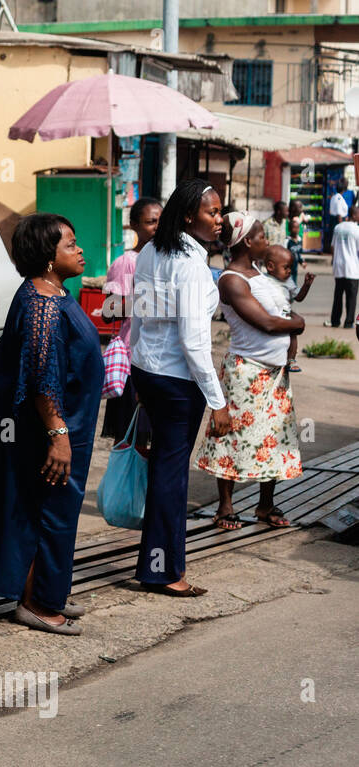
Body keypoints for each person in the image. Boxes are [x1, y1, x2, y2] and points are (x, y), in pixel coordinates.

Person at [0, 215, 103, 635]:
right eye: (70, 244)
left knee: (51, 508)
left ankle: (50, 590)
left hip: (67, 423)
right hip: (52, 428)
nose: (79, 250)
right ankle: (36, 603)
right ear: (48, 257)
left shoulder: (52, 292)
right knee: (47, 511)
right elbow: (43, 377)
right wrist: (58, 435)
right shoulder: (42, 304)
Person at [130, 179, 232, 597]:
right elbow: (194, 341)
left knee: (163, 472)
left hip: (150, 371)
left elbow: (139, 318)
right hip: (175, 380)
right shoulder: (189, 264)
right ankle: (165, 572)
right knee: (171, 477)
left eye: (221, 212)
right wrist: (217, 401)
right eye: (213, 212)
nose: (220, 220)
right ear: (189, 216)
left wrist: (140, 374)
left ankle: (156, 565)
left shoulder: (151, 252)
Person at [197, 213, 305, 530]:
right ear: (247, 242)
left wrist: (291, 321)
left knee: (272, 437)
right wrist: (298, 324)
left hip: (274, 373)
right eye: (260, 237)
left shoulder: (258, 273)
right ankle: (225, 506)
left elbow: (280, 308)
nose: (266, 242)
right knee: (234, 438)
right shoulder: (231, 280)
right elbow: (267, 323)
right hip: (247, 373)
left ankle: (265, 505)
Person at [101, 196, 162, 446]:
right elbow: (109, 310)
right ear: (135, 226)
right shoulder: (127, 262)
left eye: (161, 220)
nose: (157, 226)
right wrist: (149, 301)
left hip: (162, 359)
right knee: (130, 436)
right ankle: (125, 486)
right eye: (151, 222)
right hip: (132, 359)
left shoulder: (169, 259)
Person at [261, 244, 312, 372]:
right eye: (286, 267)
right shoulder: (262, 280)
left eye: (290, 267)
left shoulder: (288, 281)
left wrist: (306, 286)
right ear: (270, 267)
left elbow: (298, 297)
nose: (289, 271)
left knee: (292, 331)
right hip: (270, 312)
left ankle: (291, 359)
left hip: (285, 310)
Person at [329, 205, 359, 331]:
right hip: (352, 268)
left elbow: (332, 247)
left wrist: (334, 260)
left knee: (338, 296)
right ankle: (348, 322)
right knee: (351, 298)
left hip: (339, 267)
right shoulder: (357, 230)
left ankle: (335, 321)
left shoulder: (338, 227)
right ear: (354, 215)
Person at [286, 199, 305, 284]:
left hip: (295, 260)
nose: (301, 209)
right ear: (293, 208)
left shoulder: (298, 222)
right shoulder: (286, 221)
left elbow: (299, 237)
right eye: (299, 207)